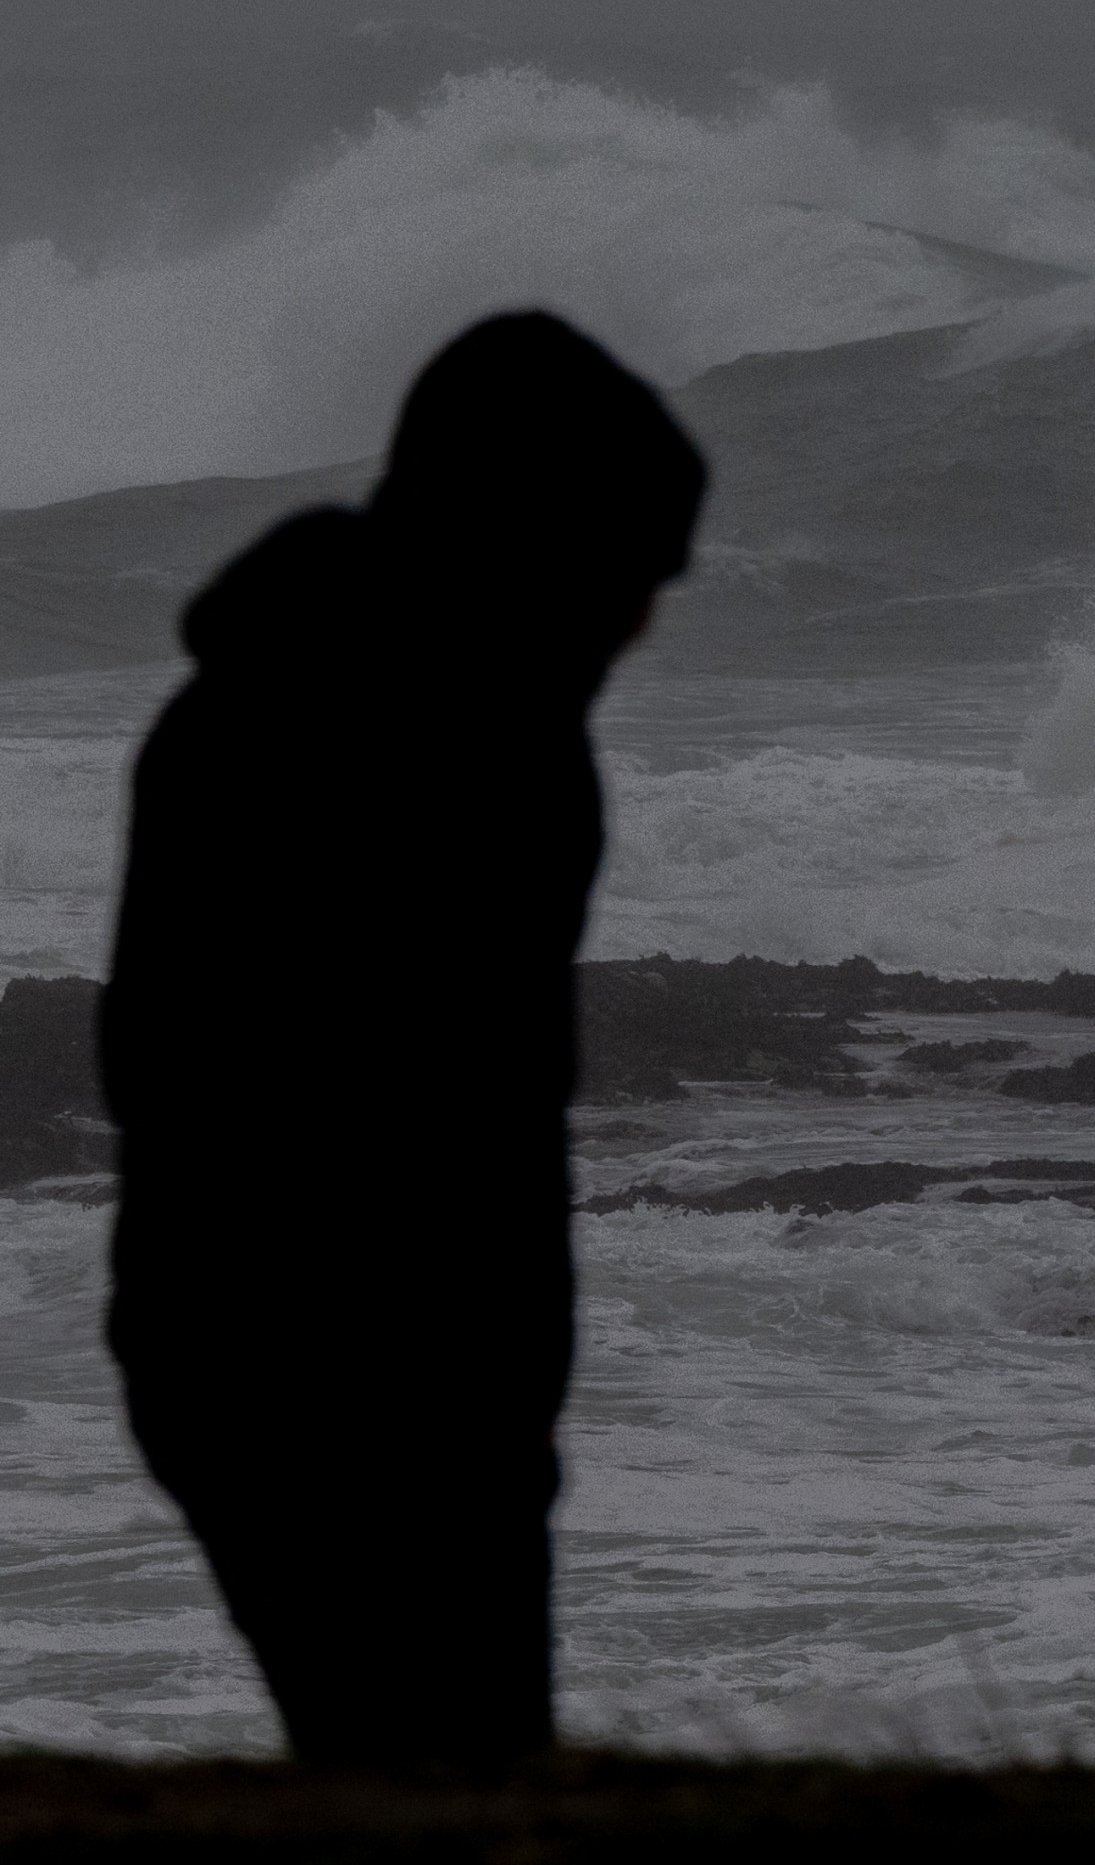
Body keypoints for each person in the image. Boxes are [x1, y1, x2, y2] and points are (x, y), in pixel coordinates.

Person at [99, 312, 705, 1764]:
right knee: (436, 1765)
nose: (641, 621)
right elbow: (436, 1120)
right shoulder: (457, 747)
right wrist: (474, 1402)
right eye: (629, 568)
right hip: (313, 1365)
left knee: (410, 1765)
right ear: (527, 534)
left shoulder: (345, 706)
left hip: (290, 1355)